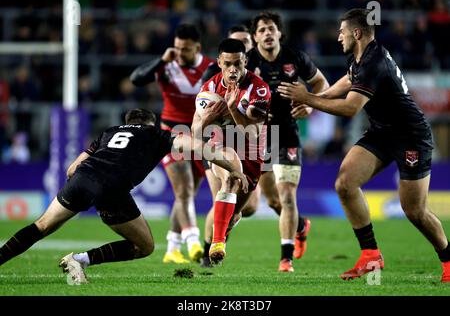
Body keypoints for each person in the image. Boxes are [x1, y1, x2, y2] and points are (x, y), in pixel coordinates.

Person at [277, 8, 450, 283]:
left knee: (414, 211)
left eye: (342, 32)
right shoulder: (359, 57)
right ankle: (371, 255)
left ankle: (448, 259)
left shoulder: (374, 62)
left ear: (356, 33)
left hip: (411, 136)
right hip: (382, 132)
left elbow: (350, 108)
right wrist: (312, 96)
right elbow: (345, 83)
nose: (337, 38)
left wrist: (308, 99)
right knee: (344, 183)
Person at [0, 108, 248, 284]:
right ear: (152, 123)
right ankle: (80, 260)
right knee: (144, 246)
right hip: (112, 186)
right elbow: (198, 147)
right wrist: (234, 168)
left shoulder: (108, 132)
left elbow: (71, 169)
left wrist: (80, 188)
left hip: (82, 178)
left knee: (40, 226)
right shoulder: (156, 134)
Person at [246, 11, 329, 272]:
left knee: (287, 195)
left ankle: (286, 258)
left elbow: (321, 84)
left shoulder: (295, 58)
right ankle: (301, 225)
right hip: (259, 138)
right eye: (261, 30)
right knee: (272, 201)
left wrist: (311, 106)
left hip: (288, 135)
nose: (267, 33)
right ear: (254, 37)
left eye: (271, 28)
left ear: (279, 33)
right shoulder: (247, 62)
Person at [199, 24, 283, 268]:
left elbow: (253, 133)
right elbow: (195, 133)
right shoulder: (210, 89)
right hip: (222, 146)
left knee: (241, 210)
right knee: (230, 180)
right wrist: (206, 119)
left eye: (238, 64)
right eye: (228, 64)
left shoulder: (259, 89)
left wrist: (234, 108)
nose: (233, 70)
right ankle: (213, 246)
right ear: (219, 62)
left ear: (245, 61)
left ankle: (216, 242)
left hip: (253, 151)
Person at [130, 24, 214, 264]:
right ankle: (194, 242)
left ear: (197, 47)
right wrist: (161, 60)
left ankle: (172, 248)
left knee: (186, 194)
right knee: (184, 190)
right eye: (177, 47)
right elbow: (136, 79)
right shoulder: (166, 66)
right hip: (171, 134)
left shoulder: (210, 67)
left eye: (185, 49)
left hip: (200, 135)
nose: (179, 52)